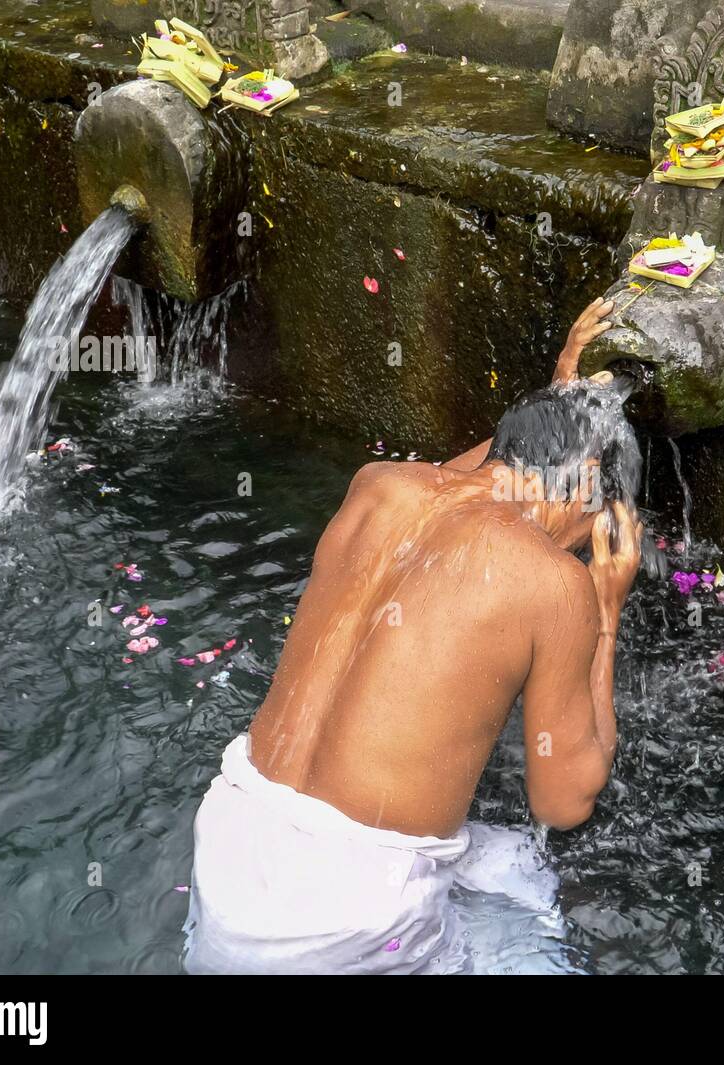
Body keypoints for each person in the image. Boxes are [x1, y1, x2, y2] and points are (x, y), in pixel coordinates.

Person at [183, 298, 645, 974]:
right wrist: (606, 605)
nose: (585, 539)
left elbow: (489, 478)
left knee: (498, 861)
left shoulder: (379, 487)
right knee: (534, 899)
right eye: (595, 516)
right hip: (348, 928)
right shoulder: (554, 583)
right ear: (584, 490)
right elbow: (565, 799)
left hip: (228, 854)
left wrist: (559, 395)